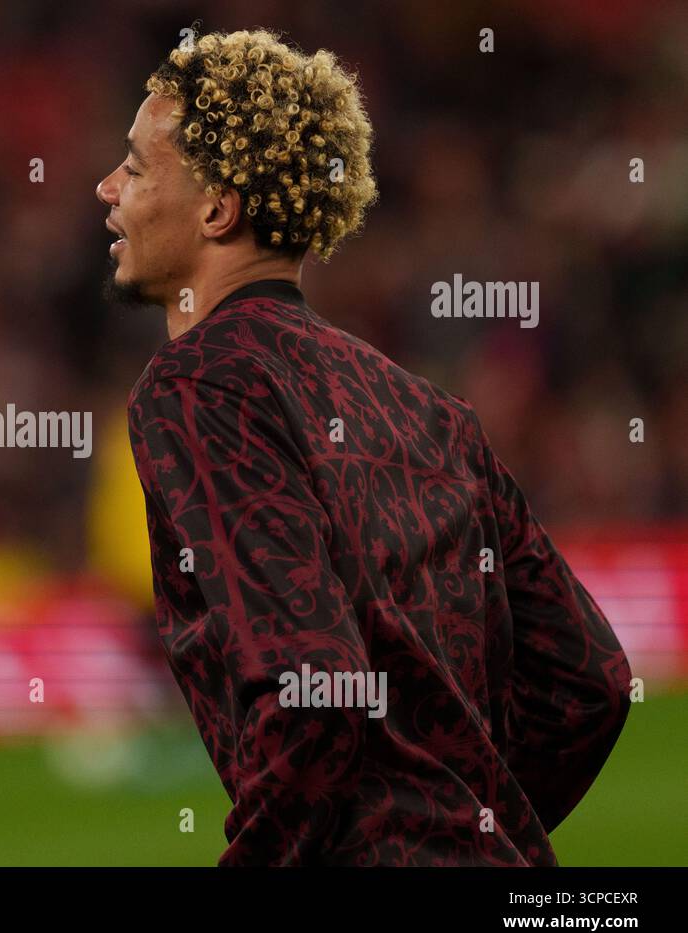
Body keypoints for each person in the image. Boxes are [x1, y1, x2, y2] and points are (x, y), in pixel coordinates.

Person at [96, 28, 631, 865]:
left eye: (134, 165)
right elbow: (589, 679)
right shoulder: (430, 409)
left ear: (216, 208)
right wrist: (468, 829)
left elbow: (315, 695)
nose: (108, 188)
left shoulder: (200, 386)